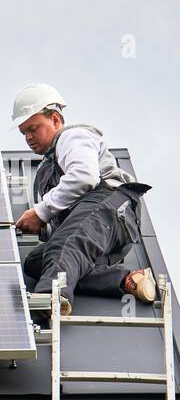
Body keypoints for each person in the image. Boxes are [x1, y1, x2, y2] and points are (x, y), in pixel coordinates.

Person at [11, 83, 154, 319]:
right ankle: (128, 280)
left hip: (109, 203)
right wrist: (41, 225)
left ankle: (52, 298)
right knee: (37, 262)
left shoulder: (72, 136)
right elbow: (61, 222)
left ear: (55, 119)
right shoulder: (46, 169)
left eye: (33, 128)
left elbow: (85, 177)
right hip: (97, 230)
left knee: (64, 246)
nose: (28, 137)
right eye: (23, 132)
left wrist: (40, 212)